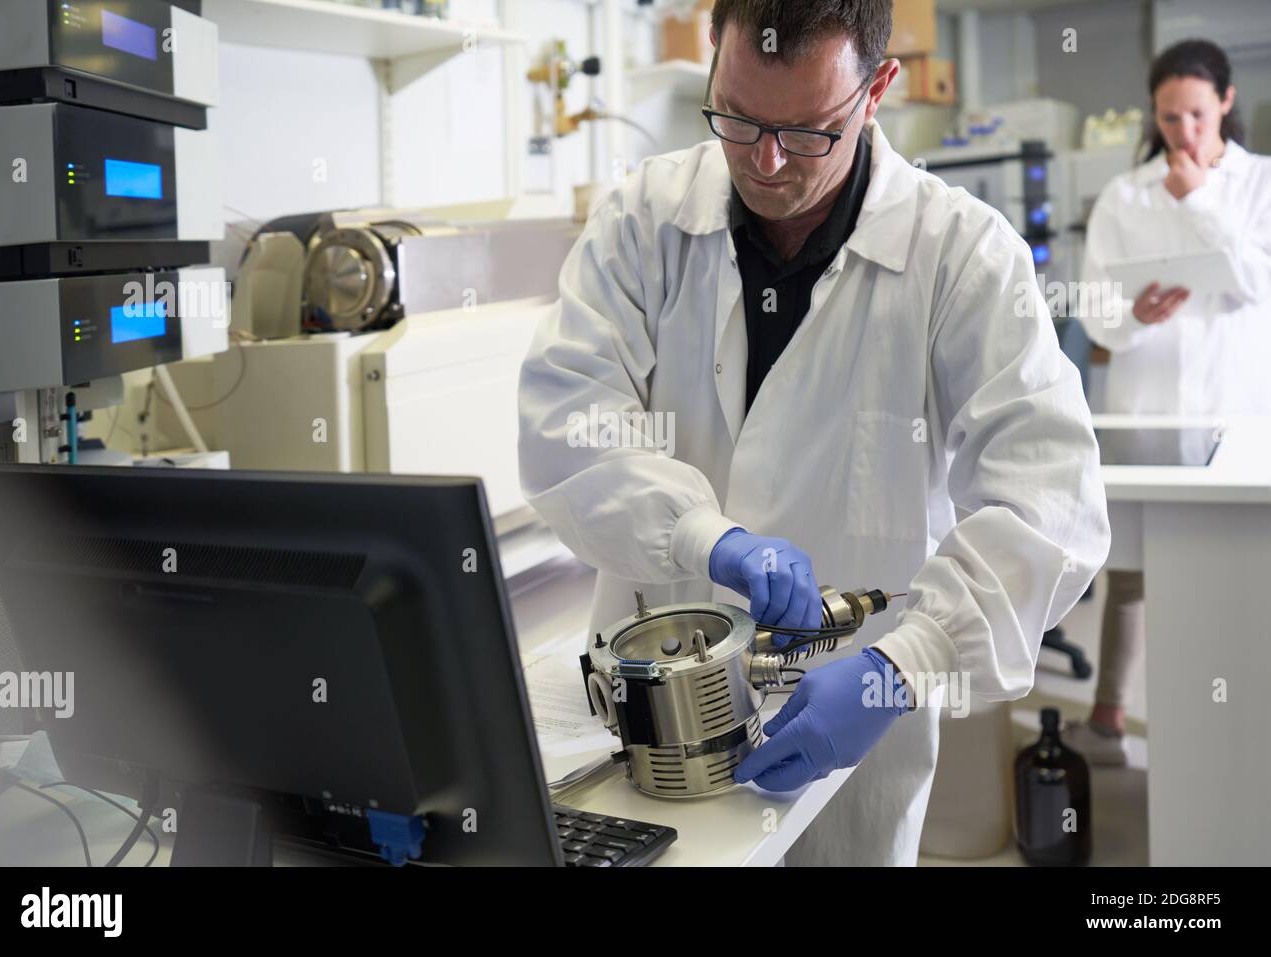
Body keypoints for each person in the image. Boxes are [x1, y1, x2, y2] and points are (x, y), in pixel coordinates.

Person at [519, 0, 1110, 866]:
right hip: (647, 729)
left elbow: (1051, 505)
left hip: (845, 749)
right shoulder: (645, 219)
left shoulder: (964, 256)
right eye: (739, 117)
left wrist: (903, 665)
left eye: (805, 133)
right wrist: (700, 536)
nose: (764, 161)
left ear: (878, 89)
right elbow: (566, 415)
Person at [1073, 39, 1271, 765]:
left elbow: (1259, 283)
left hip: (1237, 410)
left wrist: (1200, 202)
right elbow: (1095, 311)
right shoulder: (1125, 195)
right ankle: (1108, 717)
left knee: (1234, 567)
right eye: (1167, 116)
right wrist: (1135, 314)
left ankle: (1233, 723)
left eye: (1194, 113)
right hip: (1146, 408)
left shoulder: (1258, 185)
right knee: (1130, 570)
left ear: (1223, 102)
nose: (1182, 131)